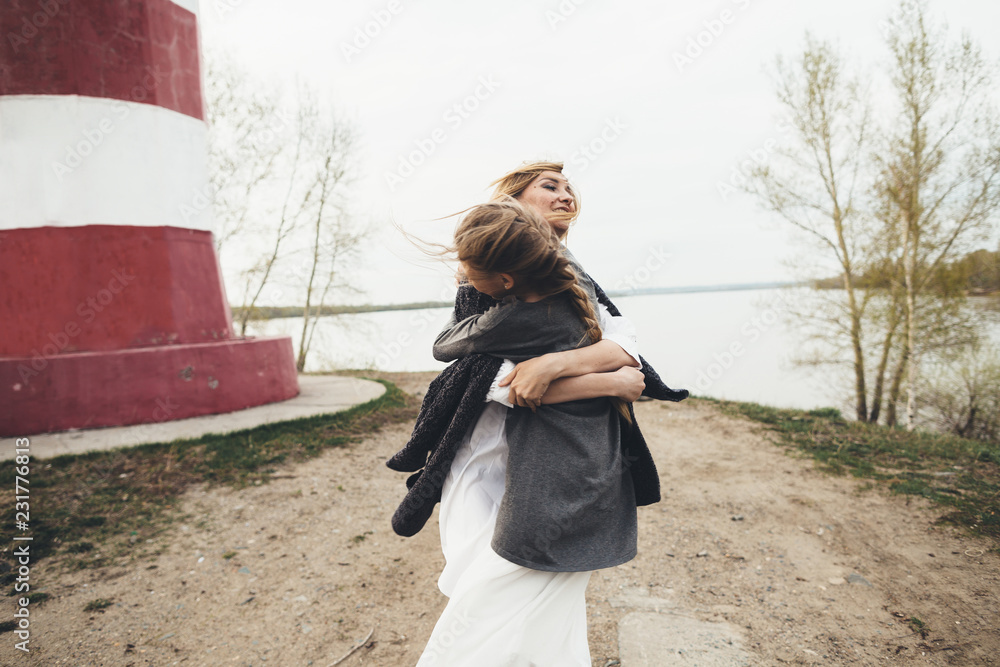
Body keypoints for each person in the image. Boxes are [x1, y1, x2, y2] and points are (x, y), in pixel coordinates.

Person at [387, 161, 688, 665]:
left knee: (512, 593)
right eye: (549, 187)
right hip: (486, 452)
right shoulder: (484, 282)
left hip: (546, 457)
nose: (566, 195)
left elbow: (623, 339)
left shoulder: (570, 276)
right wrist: (604, 380)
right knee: (484, 582)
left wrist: (560, 364)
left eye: (570, 188)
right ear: (512, 204)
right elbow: (478, 377)